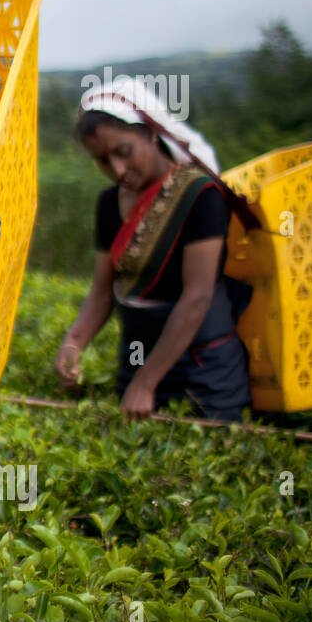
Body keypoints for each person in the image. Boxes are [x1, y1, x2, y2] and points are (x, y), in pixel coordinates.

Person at [55, 77, 252, 421]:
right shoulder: (108, 204)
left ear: (148, 133)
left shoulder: (199, 195)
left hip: (204, 371)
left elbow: (197, 296)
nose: (117, 170)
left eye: (123, 152)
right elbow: (103, 291)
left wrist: (146, 384)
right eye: (102, 161)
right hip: (136, 360)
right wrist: (73, 342)